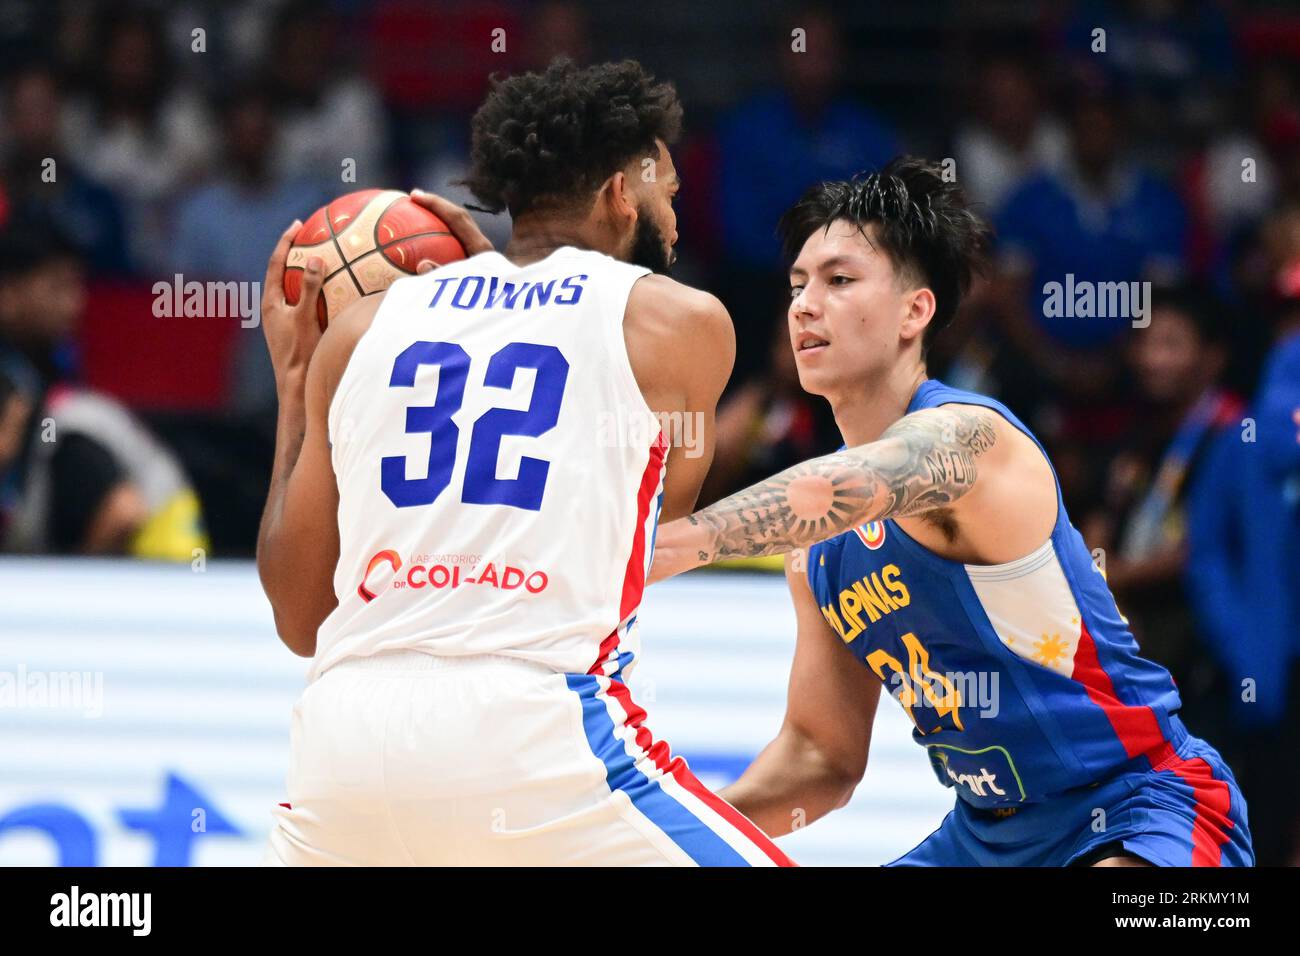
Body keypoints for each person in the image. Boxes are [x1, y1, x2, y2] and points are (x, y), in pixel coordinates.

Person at [256, 59, 793, 867]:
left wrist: (295, 389)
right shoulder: (681, 323)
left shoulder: (360, 332)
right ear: (621, 192)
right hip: (534, 732)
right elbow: (654, 528)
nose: (676, 223)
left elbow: (300, 623)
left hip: (342, 750)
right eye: (668, 194)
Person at [649, 158, 1254, 867]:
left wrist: (648, 551)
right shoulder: (817, 558)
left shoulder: (970, 439)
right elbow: (820, 759)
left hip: (1136, 805)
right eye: (796, 285)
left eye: (838, 281)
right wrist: (666, 827)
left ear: (917, 310)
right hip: (983, 837)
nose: (805, 305)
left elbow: (849, 483)